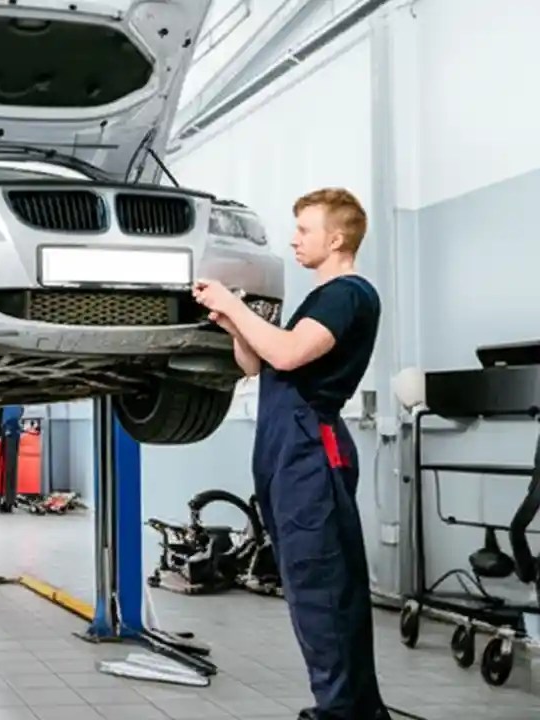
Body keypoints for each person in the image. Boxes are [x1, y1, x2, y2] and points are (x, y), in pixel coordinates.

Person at [191, 188, 389, 720]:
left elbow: (288, 351)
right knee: (308, 587)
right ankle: (351, 709)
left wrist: (235, 304)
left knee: (324, 589)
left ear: (337, 237)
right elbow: (257, 366)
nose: (295, 239)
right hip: (286, 446)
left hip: (310, 447)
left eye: (304, 229)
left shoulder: (348, 293)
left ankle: (343, 712)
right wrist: (233, 322)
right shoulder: (318, 299)